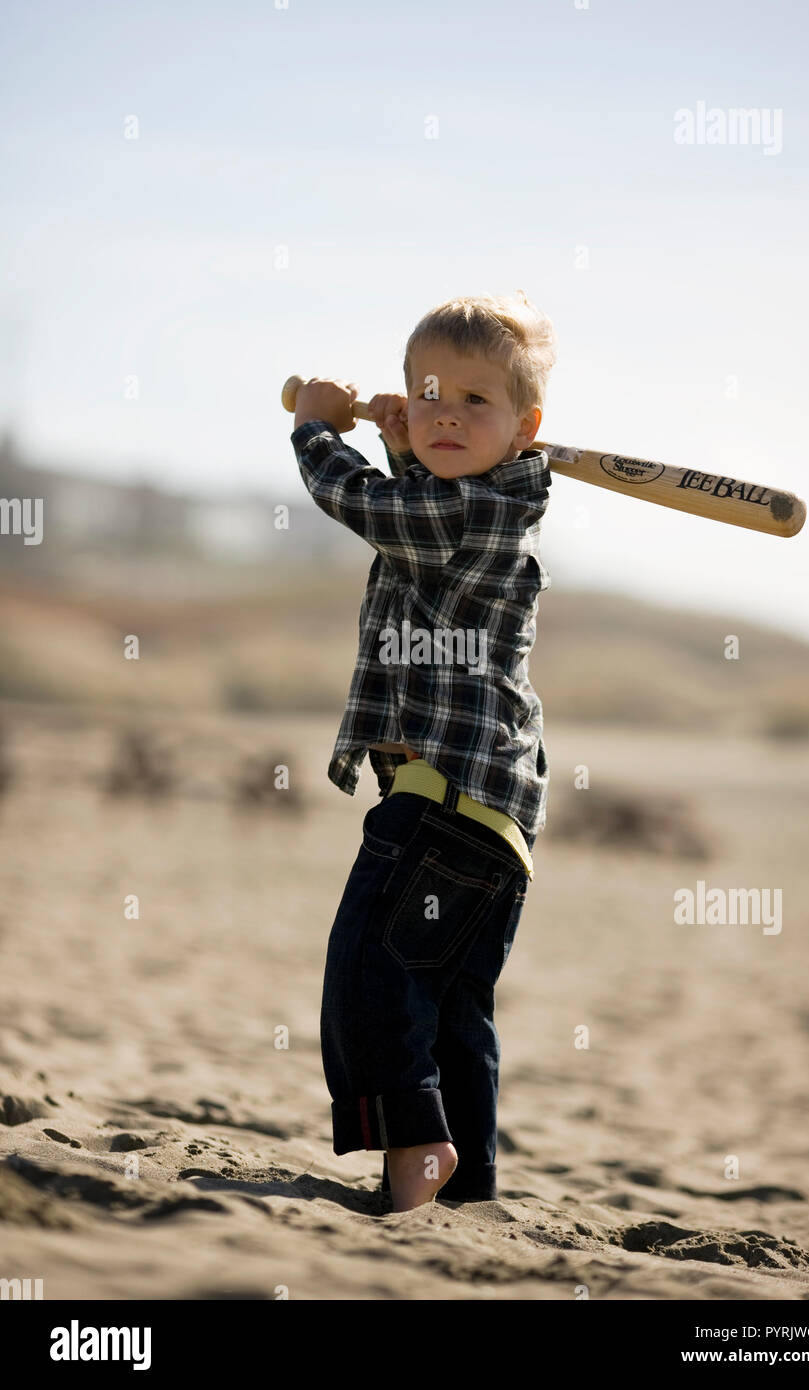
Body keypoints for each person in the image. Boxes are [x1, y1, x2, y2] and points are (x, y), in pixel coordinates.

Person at [290, 290, 555, 1211]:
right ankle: (463, 1189)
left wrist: (319, 430)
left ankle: (415, 1143)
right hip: (483, 818)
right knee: (447, 1008)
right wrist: (406, 444)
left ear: (527, 427)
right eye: (428, 393)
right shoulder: (469, 505)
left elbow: (367, 505)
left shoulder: (481, 517)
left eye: (474, 402)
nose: (446, 412)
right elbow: (412, 505)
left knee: (367, 967)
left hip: (442, 805)